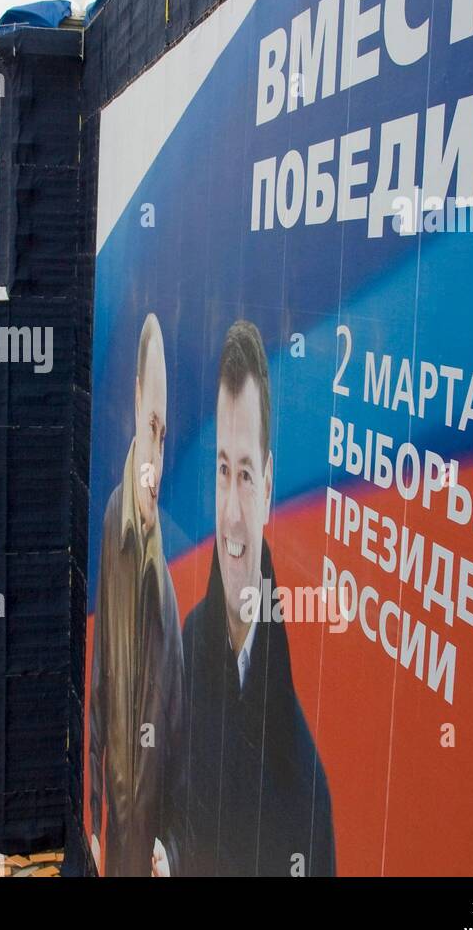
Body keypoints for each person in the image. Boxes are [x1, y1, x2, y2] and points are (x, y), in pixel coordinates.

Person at [159, 320, 335, 876]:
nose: (232, 511)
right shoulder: (181, 652)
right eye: (222, 472)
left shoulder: (307, 786)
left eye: (246, 476)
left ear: (269, 487)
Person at [87, 314, 184, 877]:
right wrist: (95, 826)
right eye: (151, 427)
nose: (155, 464)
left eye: (164, 437)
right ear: (136, 399)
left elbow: (175, 745)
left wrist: (168, 846)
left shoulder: (166, 591)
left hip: (142, 851)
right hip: (114, 838)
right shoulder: (113, 526)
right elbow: (100, 689)